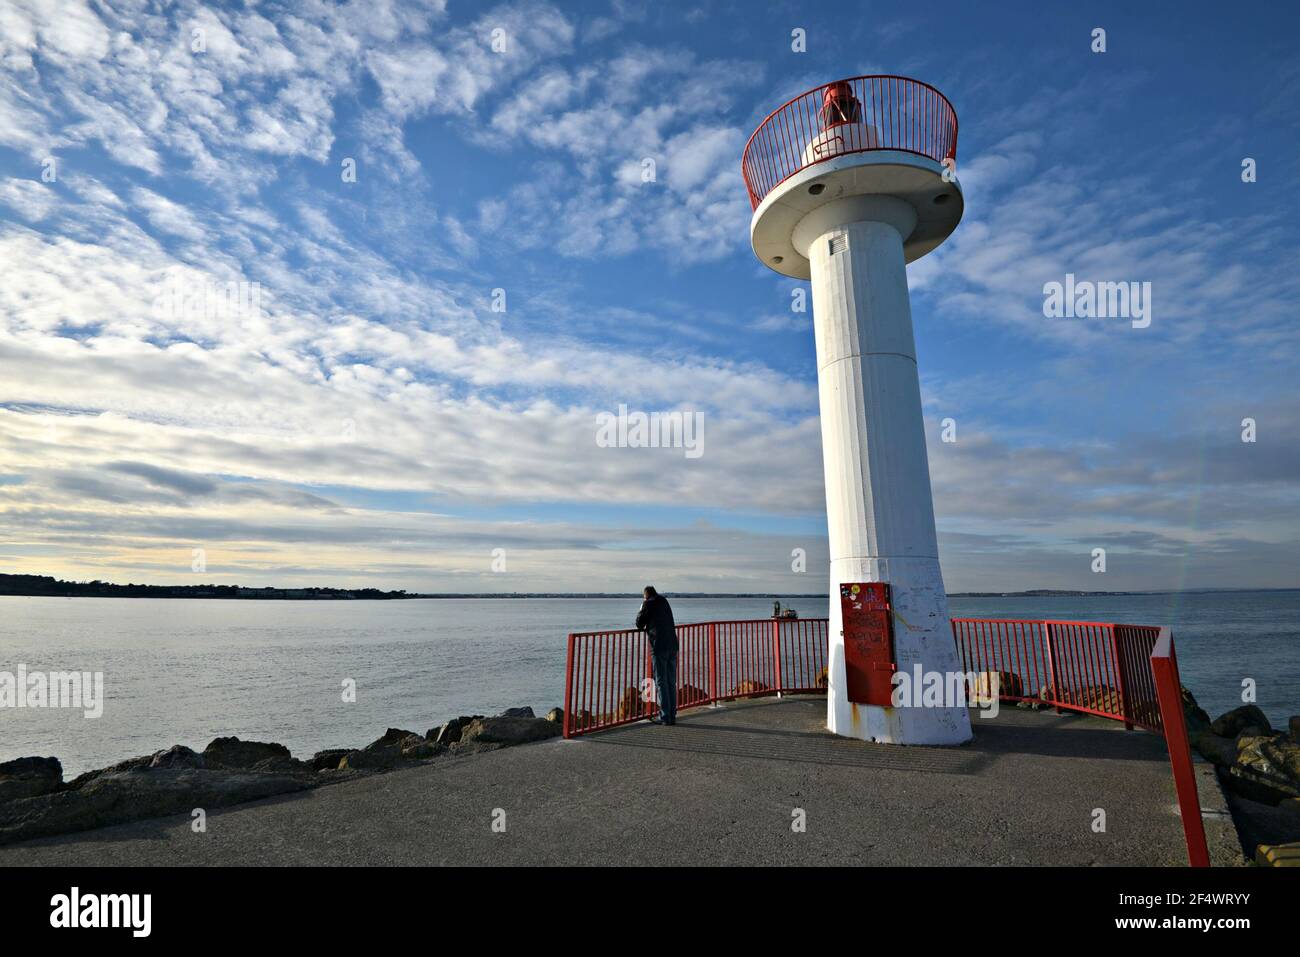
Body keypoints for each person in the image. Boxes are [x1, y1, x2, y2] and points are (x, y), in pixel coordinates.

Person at [635, 585, 678, 725]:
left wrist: (642, 606)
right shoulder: (664, 601)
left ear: (646, 595)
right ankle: (672, 714)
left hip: (659, 646)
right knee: (671, 681)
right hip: (672, 644)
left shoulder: (648, 603)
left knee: (661, 682)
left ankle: (665, 716)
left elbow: (639, 624)